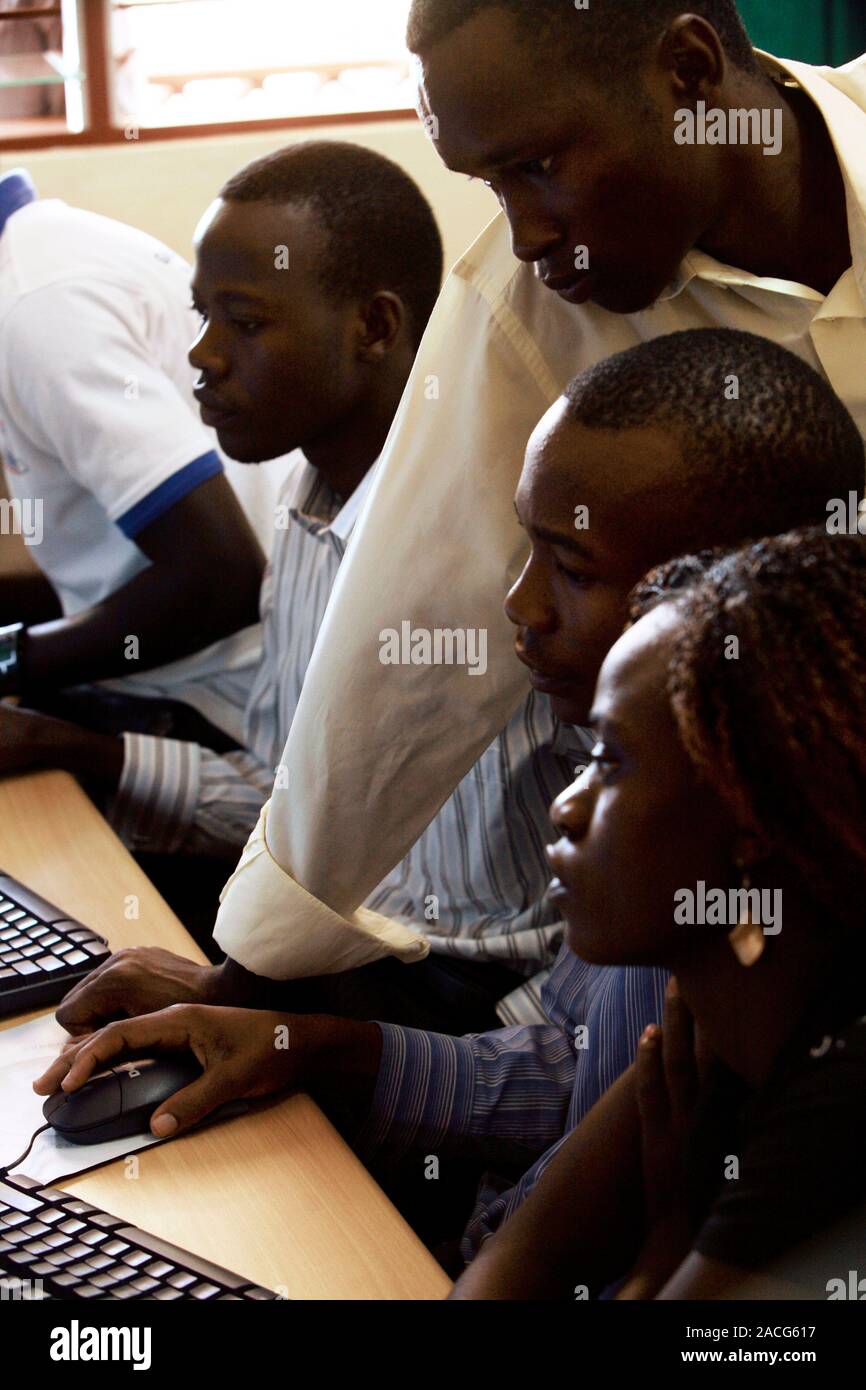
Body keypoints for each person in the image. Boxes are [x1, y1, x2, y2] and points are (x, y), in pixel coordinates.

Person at [52, 0, 866, 1003]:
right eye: (488, 183)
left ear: (689, 75)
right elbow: (402, 637)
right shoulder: (536, 308)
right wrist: (246, 987)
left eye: (536, 167)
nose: (522, 235)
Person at [36, 330, 865, 1268]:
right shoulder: (660, 831)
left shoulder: (763, 957)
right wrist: (314, 1047)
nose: (520, 604)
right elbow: (579, 1063)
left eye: (574, 569)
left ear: (740, 599)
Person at [0, 141, 589, 1034]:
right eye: (200, 318)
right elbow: (283, 796)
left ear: (377, 328)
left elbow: (595, 943)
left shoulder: (504, 546)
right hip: (355, 973)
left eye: (242, 322)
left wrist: (341, 1041)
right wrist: (72, 747)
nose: (202, 356)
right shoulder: (303, 516)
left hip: (478, 1011)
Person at [447, 527, 866, 1299]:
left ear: (750, 825)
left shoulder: (841, 1096)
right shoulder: (713, 1011)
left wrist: (661, 1253)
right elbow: (506, 1270)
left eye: (609, 760)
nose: (567, 807)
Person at [0, 167, 276, 748]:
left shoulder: (36, 306)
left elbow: (219, 578)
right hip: (181, 673)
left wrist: (7, 658)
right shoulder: (42, 249)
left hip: (217, 704)